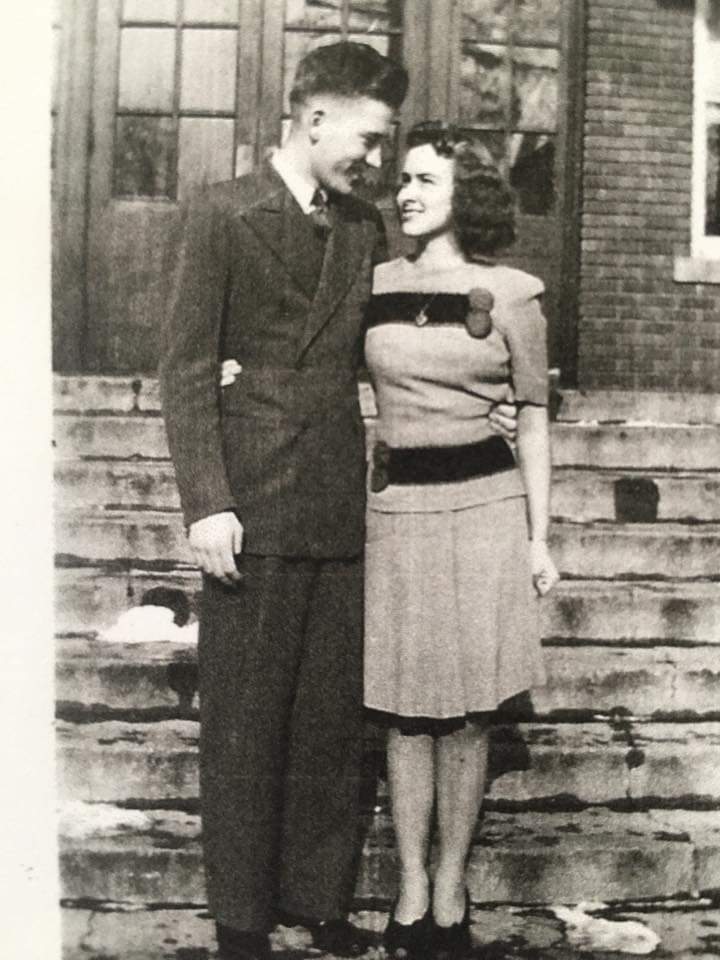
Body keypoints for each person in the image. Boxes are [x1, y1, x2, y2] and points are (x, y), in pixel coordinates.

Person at [160, 42, 408, 960]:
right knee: (245, 721)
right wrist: (207, 502)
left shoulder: (362, 227)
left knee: (327, 720)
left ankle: (317, 896)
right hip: (250, 506)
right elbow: (186, 369)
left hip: (335, 502)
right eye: (370, 141)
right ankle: (242, 916)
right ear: (314, 120)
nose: (375, 162)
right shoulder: (223, 213)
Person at [363, 122, 560, 959]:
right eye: (402, 178)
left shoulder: (512, 293)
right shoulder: (368, 283)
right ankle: (410, 887)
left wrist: (539, 536)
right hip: (396, 510)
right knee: (407, 713)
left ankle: (451, 889)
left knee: (470, 713)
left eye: (426, 182)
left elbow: (537, 421)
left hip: (486, 508)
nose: (406, 193)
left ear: (465, 196)